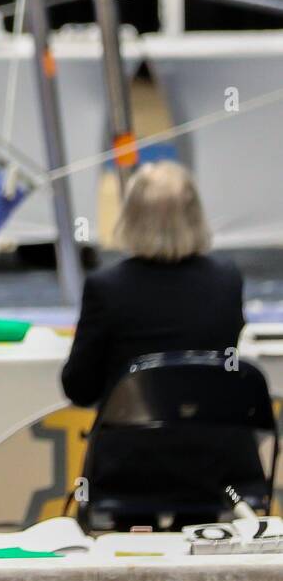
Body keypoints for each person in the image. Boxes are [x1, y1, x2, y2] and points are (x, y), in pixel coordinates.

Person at [61, 161, 245, 408]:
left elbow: (80, 389)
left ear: (130, 217)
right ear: (195, 216)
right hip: (216, 440)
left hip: (132, 441)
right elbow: (223, 369)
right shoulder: (227, 281)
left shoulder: (106, 288)